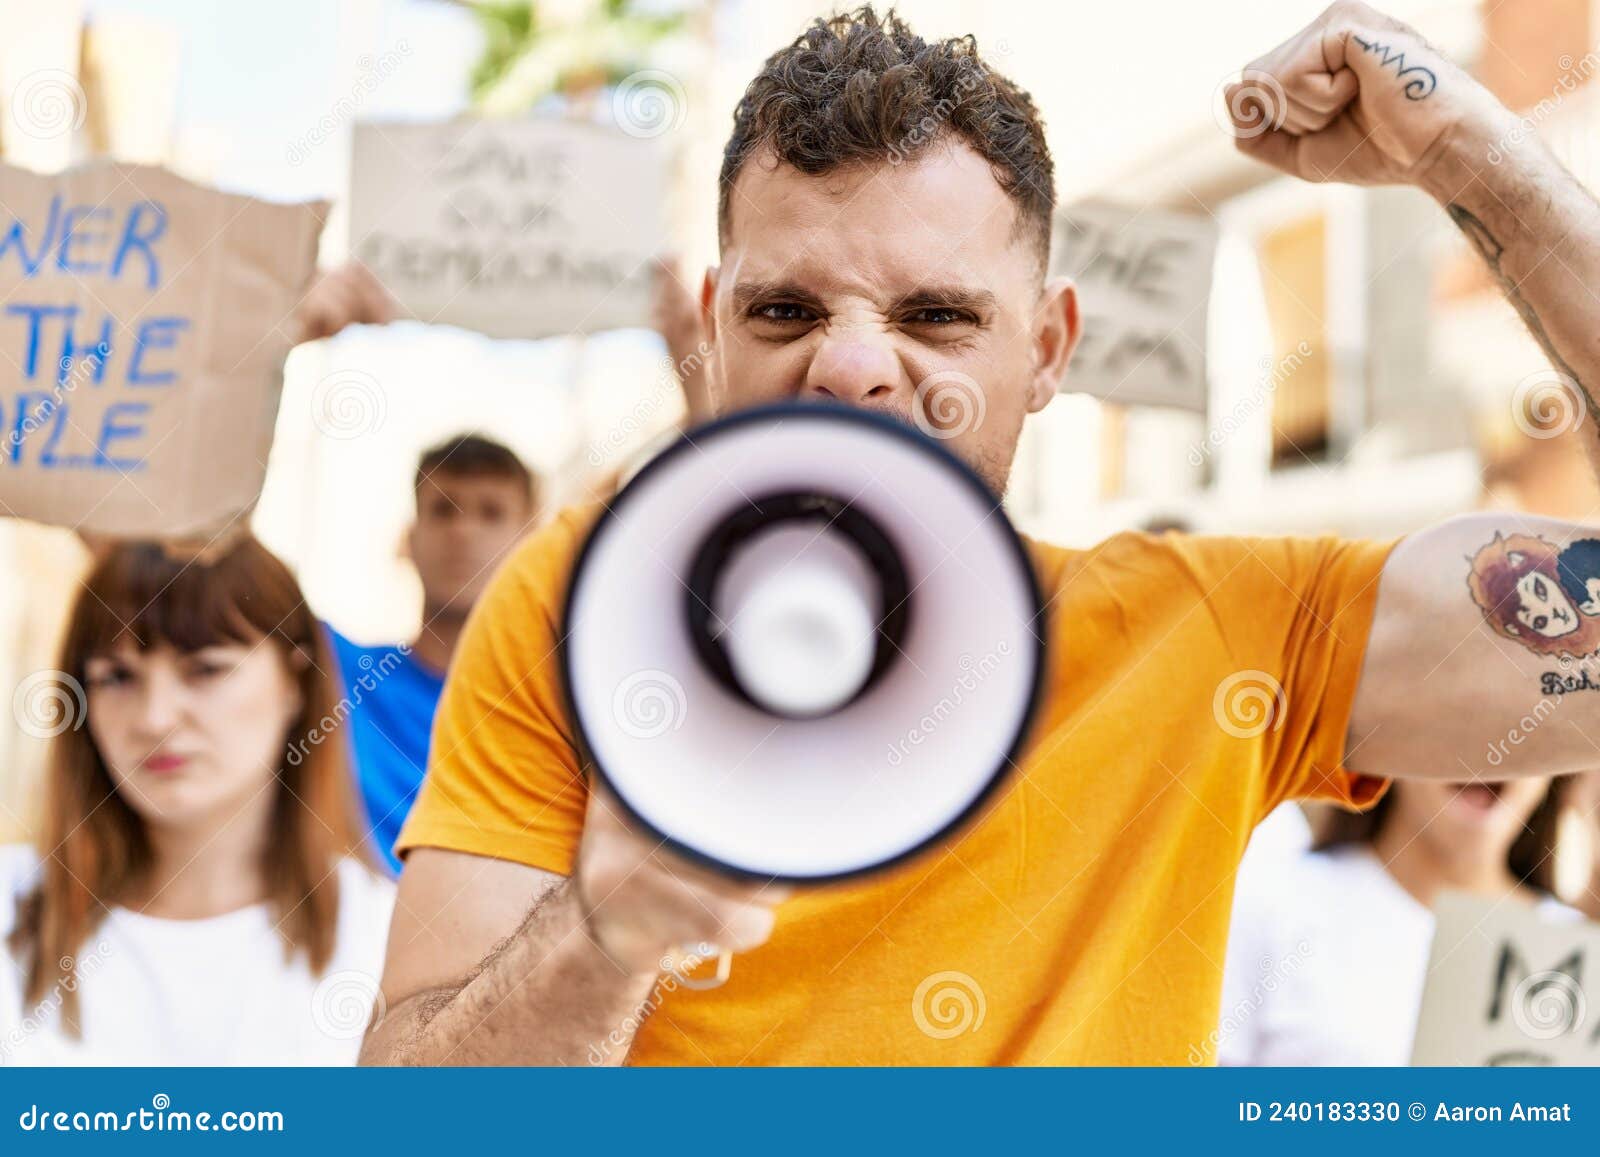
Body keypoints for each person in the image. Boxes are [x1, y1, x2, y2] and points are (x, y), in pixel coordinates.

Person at [360, 3, 1600, 1065]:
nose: (848, 366)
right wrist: (599, 934)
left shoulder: (1218, 629)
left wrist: (1472, 153)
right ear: (713, 323)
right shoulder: (576, 601)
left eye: (938, 316)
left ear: (1049, 347)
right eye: (784, 307)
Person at [0, 538, 394, 1064]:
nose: (155, 718)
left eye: (205, 669)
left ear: (295, 682)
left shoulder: (390, 939)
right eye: (117, 677)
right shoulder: (11, 904)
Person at [1219, 777, 1582, 1066]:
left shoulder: (1577, 950)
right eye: (1458, 716)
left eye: (1520, 717)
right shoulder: (1270, 902)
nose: (1494, 750)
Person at [326, 435, 538, 873]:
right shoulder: (335, 671)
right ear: (410, 536)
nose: (462, 531)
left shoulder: (561, 708)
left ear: (534, 545)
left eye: (491, 512)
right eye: (443, 510)